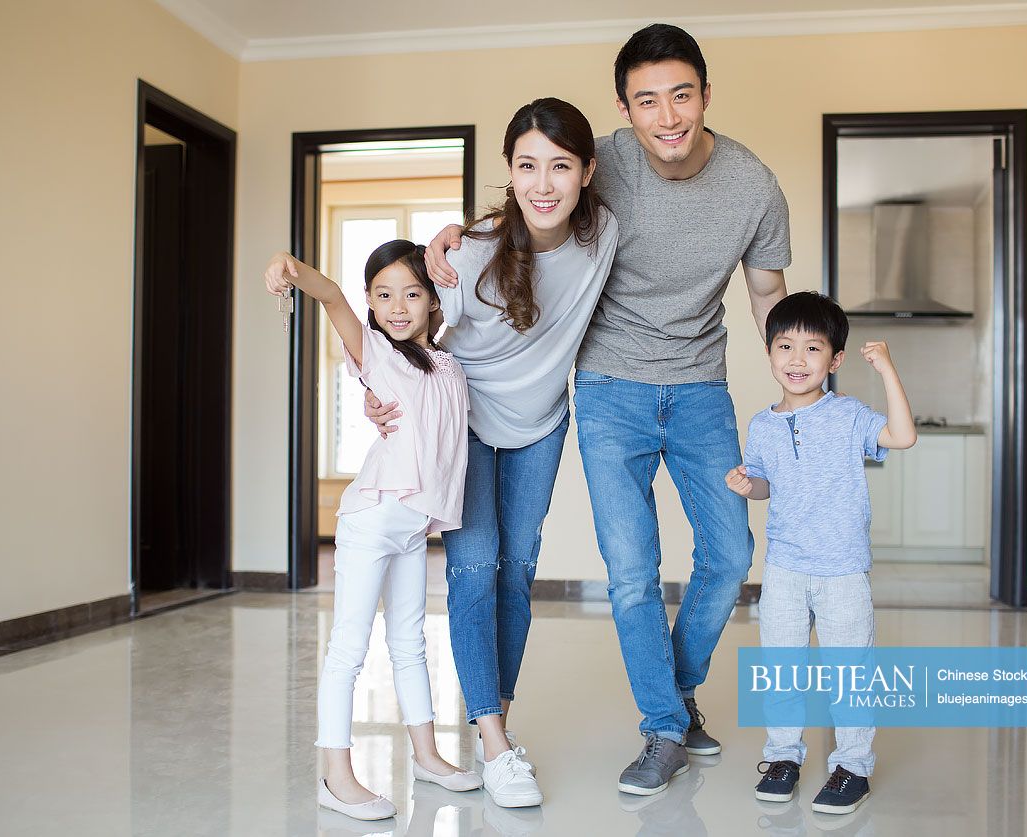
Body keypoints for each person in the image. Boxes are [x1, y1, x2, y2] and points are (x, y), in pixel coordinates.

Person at [422, 23, 791, 796]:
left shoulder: (752, 185)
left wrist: (798, 392)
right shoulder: (598, 159)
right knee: (631, 572)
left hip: (701, 387)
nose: (666, 117)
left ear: (705, 95)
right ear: (622, 109)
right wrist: (455, 234)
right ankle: (662, 728)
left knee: (729, 554)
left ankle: (676, 694)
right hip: (607, 389)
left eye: (680, 96)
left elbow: (766, 294)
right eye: (645, 100)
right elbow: (530, 198)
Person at [370, 97, 617, 809]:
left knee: (518, 572)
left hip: (541, 424)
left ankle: (493, 717)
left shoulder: (604, 234)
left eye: (560, 167)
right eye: (526, 166)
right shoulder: (471, 253)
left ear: (587, 171)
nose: (543, 184)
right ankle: (496, 741)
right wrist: (377, 392)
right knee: (475, 569)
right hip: (465, 423)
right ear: (509, 170)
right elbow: (404, 323)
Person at [264, 241, 482, 822]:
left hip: (412, 528)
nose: (397, 307)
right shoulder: (375, 353)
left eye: (411, 294)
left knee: (410, 644)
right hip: (372, 519)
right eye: (384, 295)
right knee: (349, 649)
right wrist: (289, 266)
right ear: (370, 301)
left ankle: (427, 756)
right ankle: (335, 777)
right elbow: (331, 297)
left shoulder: (450, 363)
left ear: (433, 301)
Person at [726, 291, 917, 815]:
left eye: (812, 348)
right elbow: (766, 484)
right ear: (769, 353)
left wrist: (886, 369)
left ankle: (853, 766)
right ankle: (782, 757)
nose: (797, 359)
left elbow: (902, 436)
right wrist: (748, 485)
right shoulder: (762, 425)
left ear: (834, 361)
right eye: (785, 346)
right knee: (781, 668)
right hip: (784, 569)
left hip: (842, 571)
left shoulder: (849, 415)